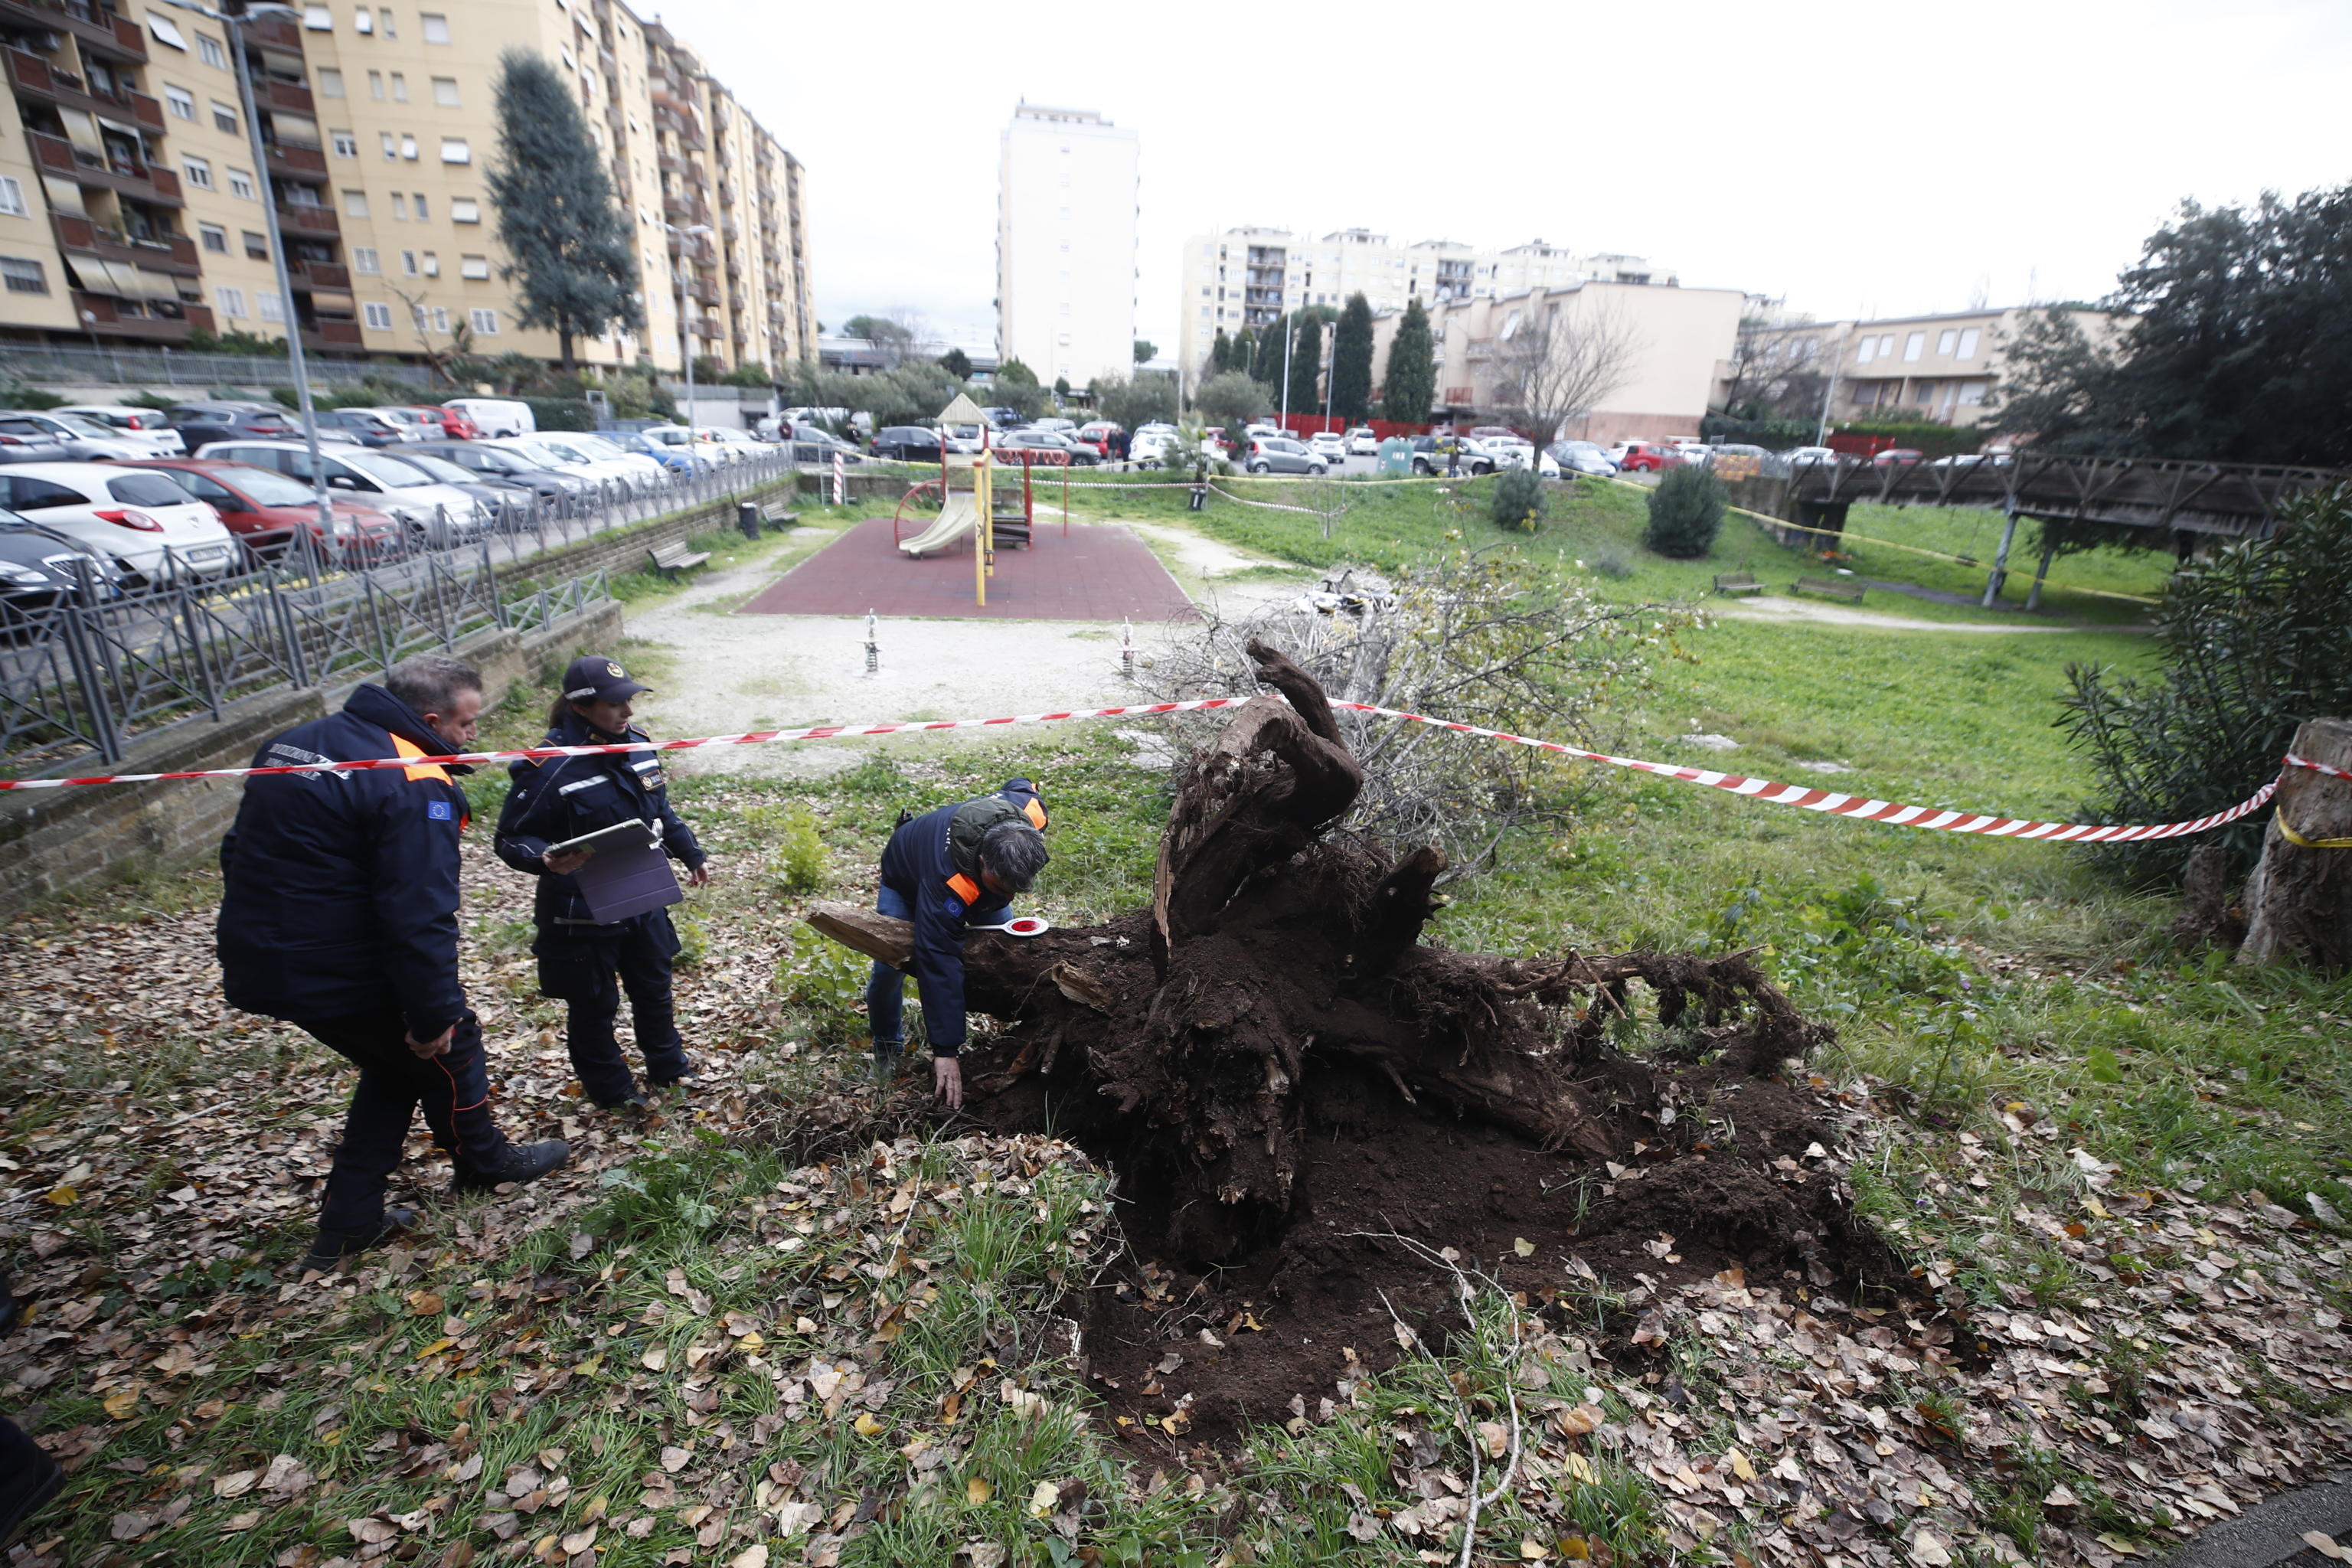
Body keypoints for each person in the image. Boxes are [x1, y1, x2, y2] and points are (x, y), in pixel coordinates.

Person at [217, 655, 569, 1271]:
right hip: (333, 959)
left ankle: (350, 1223)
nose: (472, 736)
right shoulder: (414, 780)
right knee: (445, 1047)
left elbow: (236, 847)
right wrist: (434, 1012)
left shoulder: (293, 744)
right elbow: (417, 911)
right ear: (429, 718)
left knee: (396, 1064)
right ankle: (485, 1162)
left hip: (263, 947)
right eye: (466, 724)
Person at [494, 657, 710, 1110]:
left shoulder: (638, 746)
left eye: (629, 700)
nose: (628, 712)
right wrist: (546, 860)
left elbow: (660, 811)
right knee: (594, 1003)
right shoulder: (548, 764)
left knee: (653, 985)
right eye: (616, 704)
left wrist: (691, 853)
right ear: (581, 708)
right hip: (582, 906)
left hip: (642, 889)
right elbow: (512, 837)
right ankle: (613, 1094)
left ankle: (670, 1068)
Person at [868, 779, 1050, 1108]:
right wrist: (946, 1050)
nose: (1009, 897)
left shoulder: (1030, 817)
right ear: (983, 862)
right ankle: (886, 1047)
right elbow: (938, 960)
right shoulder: (946, 881)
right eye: (1001, 886)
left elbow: (1024, 786)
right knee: (888, 969)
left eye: (1016, 889)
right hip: (905, 877)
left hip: (965, 876)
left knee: (1005, 947)